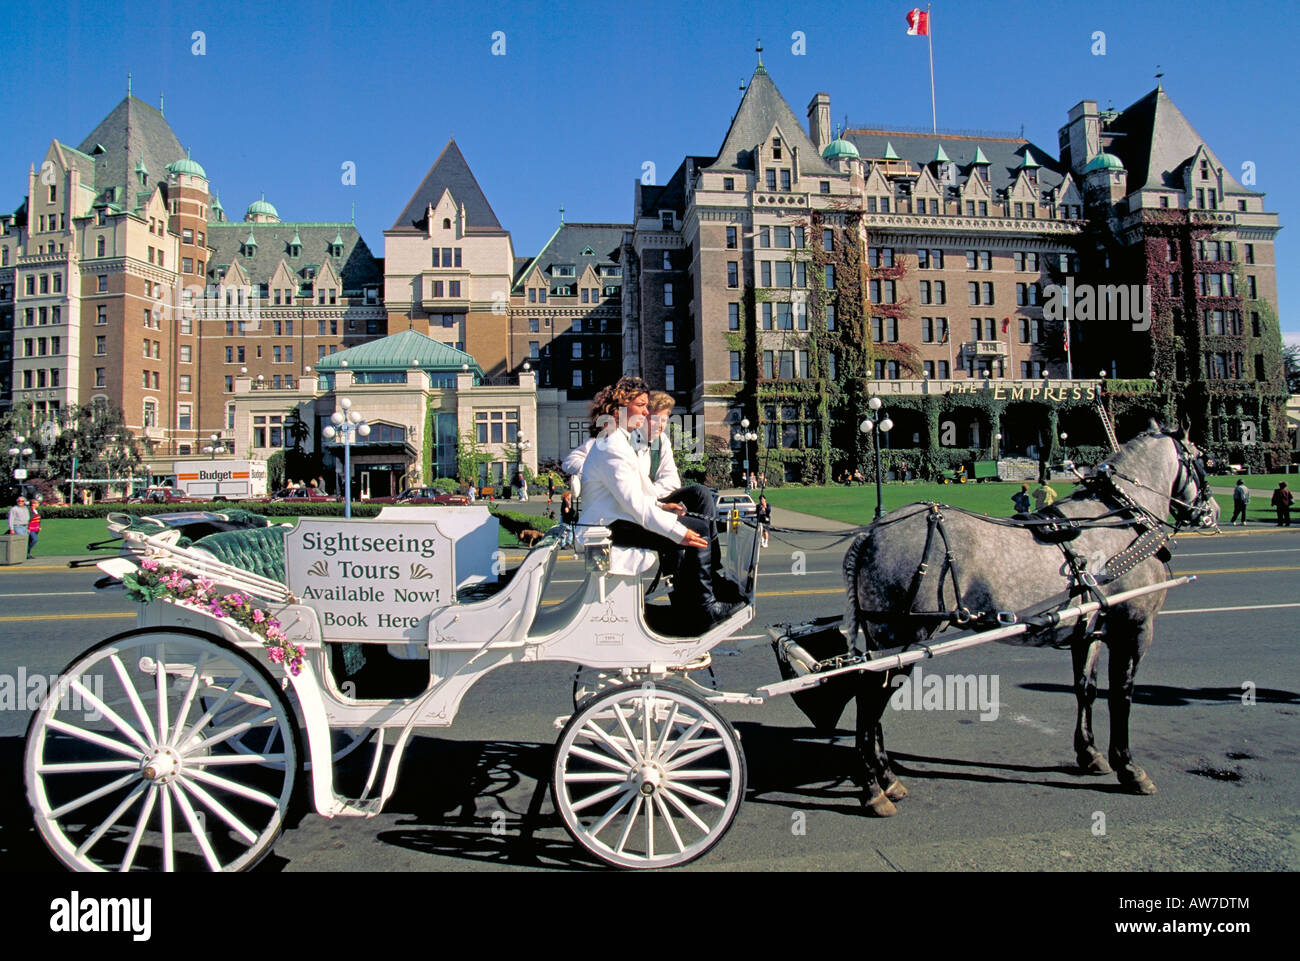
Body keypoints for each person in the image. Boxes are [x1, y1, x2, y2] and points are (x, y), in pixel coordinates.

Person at [580, 376, 743, 633]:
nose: (647, 412)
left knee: (695, 521)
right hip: (608, 527)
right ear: (620, 407)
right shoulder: (613, 444)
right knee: (697, 530)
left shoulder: (618, 439)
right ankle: (703, 609)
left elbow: (636, 494)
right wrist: (678, 532)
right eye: (642, 405)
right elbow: (636, 507)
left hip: (615, 519)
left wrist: (663, 508)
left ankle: (693, 600)